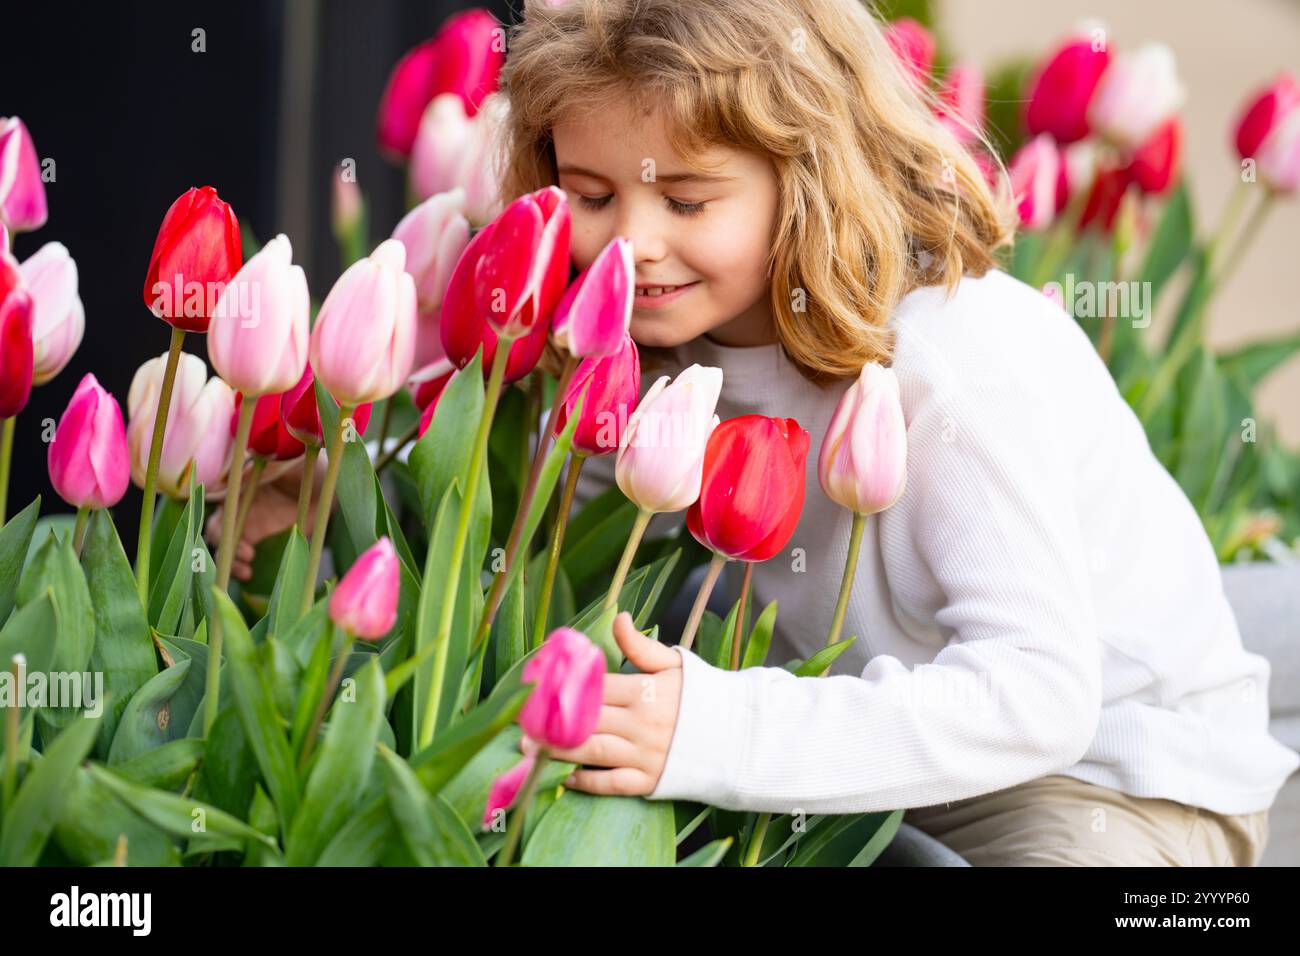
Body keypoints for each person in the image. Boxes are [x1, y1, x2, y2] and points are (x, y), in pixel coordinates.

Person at [216, 0, 1299, 865]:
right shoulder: (644, 334)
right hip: (855, 742)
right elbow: (550, 528)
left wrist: (715, 732)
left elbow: (1040, 697)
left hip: (1102, 780)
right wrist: (344, 487)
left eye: (686, 202)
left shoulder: (945, 359)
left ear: (810, 175)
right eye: (590, 192)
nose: (630, 244)